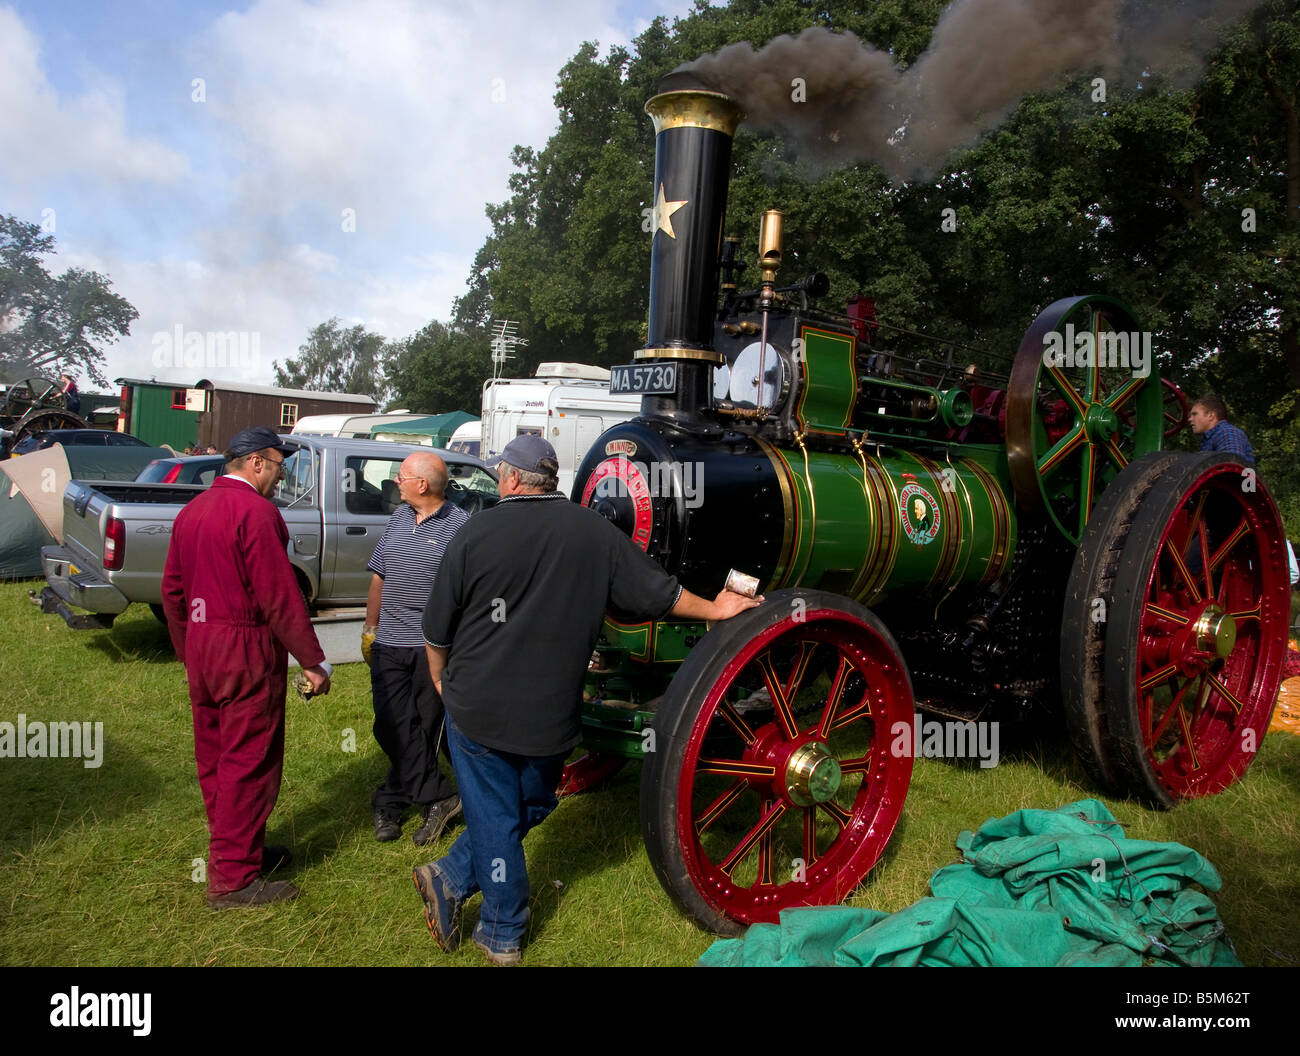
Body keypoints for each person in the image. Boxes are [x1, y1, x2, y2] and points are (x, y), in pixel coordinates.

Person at [413, 435, 761, 964]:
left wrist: (440, 680)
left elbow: (436, 630)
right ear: (550, 480)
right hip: (549, 712)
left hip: (479, 703)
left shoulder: (475, 530)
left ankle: (473, 899)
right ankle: (497, 921)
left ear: (508, 479)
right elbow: (658, 593)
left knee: (512, 810)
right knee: (513, 809)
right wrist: (714, 610)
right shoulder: (595, 532)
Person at [162, 425, 331, 908]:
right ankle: (233, 879)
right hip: (243, 645)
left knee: (215, 754)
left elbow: (173, 589)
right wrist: (313, 661)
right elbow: (278, 596)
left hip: (203, 644)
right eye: (280, 465)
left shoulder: (192, 510)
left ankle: (239, 849)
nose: (281, 476)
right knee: (249, 759)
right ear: (256, 462)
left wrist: (187, 647)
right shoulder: (256, 513)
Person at [364, 451, 467, 844]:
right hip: (388, 642)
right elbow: (379, 577)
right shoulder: (398, 519)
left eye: (402, 476)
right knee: (390, 724)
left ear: (422, 484)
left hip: (432, 649)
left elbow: (469, 593)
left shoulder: (460, 527)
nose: (396, 481)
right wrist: (369, 629)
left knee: (422, 729)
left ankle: (389, 803)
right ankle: (439, 796)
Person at [1188, 395, 1255, 466]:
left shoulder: (1227, 433)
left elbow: (1232, 467)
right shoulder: (1210, 438)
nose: (1190, 419)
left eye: (1195, 414)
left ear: (1210, 415)